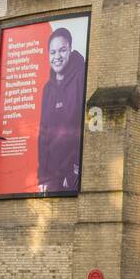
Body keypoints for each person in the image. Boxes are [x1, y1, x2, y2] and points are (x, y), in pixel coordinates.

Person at [37, 27, 86, 193]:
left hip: (74, 173)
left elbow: (89, 124)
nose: (57, 57)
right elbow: (43, 134)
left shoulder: (83, 77)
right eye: (53, 52)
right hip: (52, 176)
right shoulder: (48, 89)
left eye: (62, 50)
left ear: (70, 50)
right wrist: (43, 176)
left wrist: (77, 169)